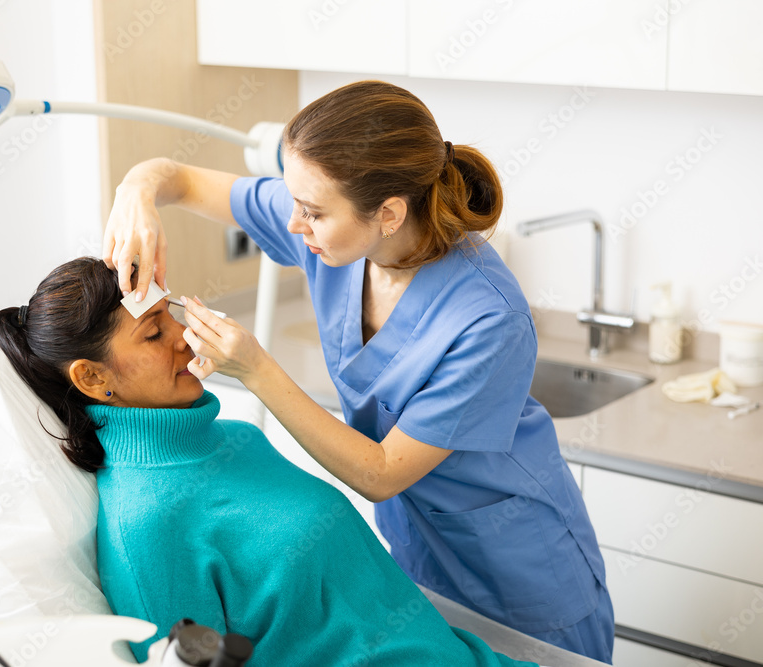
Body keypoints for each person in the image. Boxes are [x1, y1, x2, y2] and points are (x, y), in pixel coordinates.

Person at [101, 80, 614, 663]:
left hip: (521, 574)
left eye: (313, 212)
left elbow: (381, 473)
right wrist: (136, 192)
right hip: (418, 554)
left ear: (389, 213)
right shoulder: (338, 242)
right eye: (295, 201)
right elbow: (182, 179)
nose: (294, 224)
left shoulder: (487, 317)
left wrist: (256, 369)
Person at [0, 257, 539, 667]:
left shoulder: (234, 439)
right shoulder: (147, 524)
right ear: (92, 378)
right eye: (154, 333)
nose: (184, 337)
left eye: (169, 315)